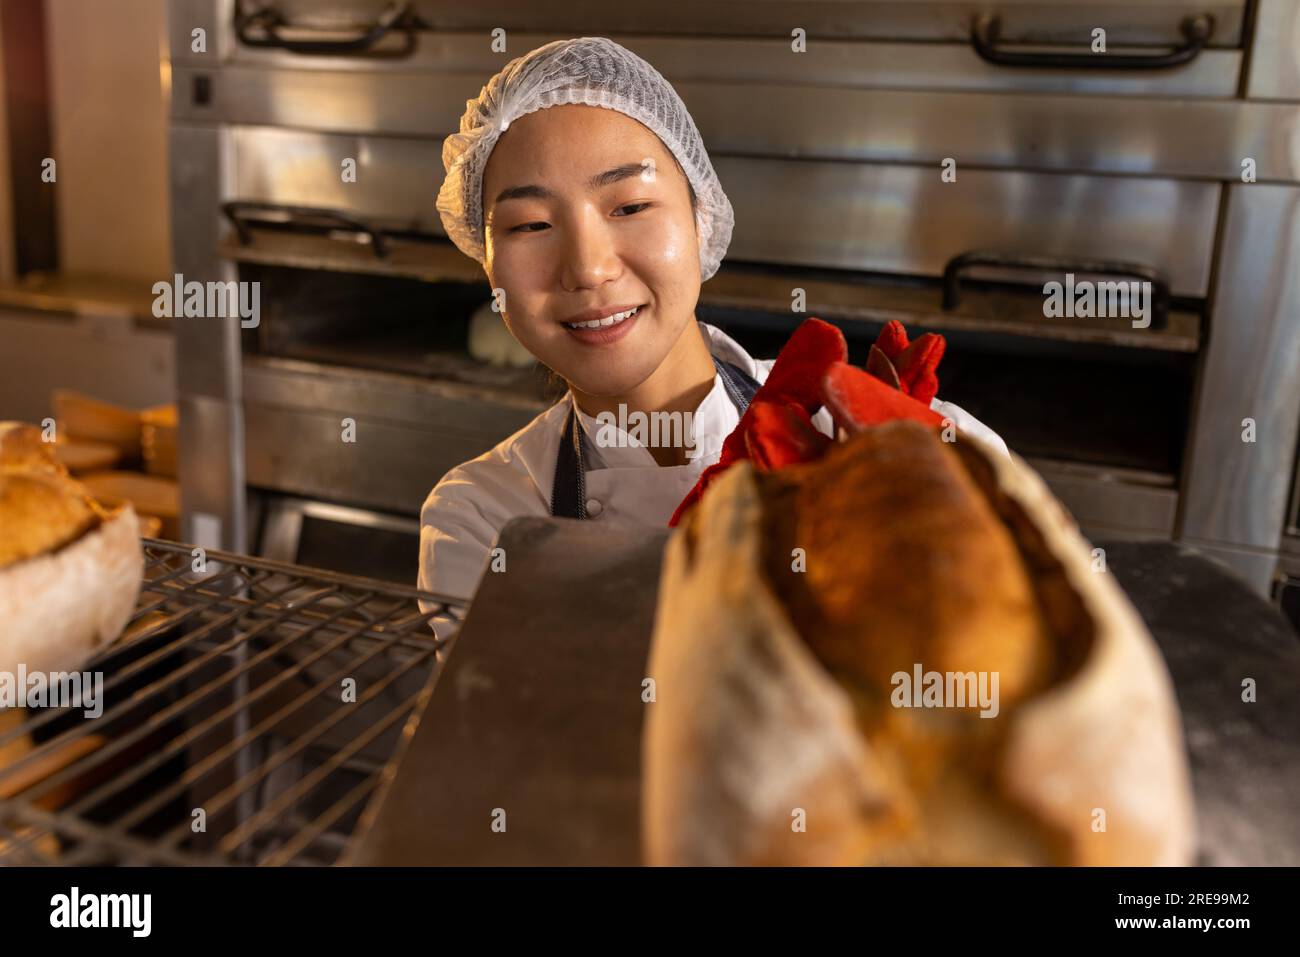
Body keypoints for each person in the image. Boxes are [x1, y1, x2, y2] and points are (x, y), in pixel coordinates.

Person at [419, 36, 1006, 634]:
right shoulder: (483, 516)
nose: (588, 268)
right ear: (488, 265)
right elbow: (513, 726)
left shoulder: (889, 443)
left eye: (629, 207)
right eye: (531, 224)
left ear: (703, 220)